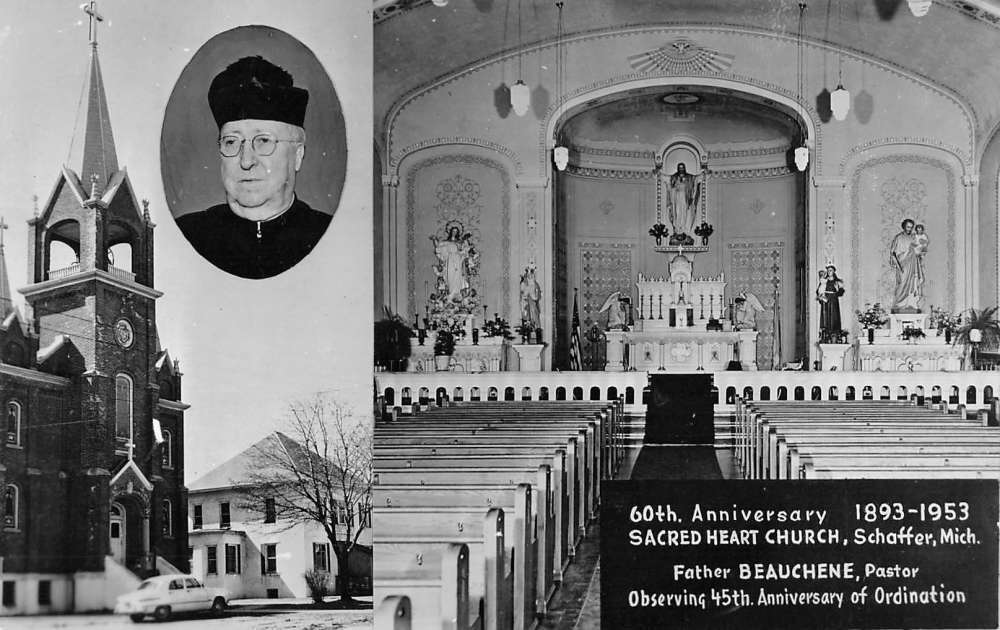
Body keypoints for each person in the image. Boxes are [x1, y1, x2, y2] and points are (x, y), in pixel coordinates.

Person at [176, 56, 332, 279]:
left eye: (264, 141)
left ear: (298, 155)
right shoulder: (188, 233)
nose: (246, 161)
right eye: (231, 142)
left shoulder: (325, 233)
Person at [663, 162, 702, 245]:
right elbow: (665, 178)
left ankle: (684, 230)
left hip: (685, 200)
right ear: (678, 169)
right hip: (676, 200)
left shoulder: (689, 178)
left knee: (685, 215)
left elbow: (697, 178)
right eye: (679, 168)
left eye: (682, 168)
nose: (681, 169)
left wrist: (704, 173)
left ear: (684, 168)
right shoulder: (673, 178)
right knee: (676, 214)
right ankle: (677, 230)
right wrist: (658, 173)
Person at [888, 218, 922, 313]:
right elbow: (893, 252)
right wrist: (905, 255)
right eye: (907, 227)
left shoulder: (913, 237)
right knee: (902, 283)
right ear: (904, 226)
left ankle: (910, 303)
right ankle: (899, 304)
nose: (909, 229)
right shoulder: (898, 238)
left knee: (912, 283)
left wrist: (917, 251)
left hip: (912, 264)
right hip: (902, 264)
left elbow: (918, 250)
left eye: (911, 227)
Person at [431, 224, 472, 300]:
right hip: (449, 261)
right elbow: (438, 247)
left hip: (458, 260)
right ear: (450, 232)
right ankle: (451, 294)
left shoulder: (460, 242)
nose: (454, 233)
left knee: (458, 276)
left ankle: (457, 294)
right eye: (453, 231)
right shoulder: (446, 242)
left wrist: (466, 240)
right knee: (450, 276)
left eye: (456, 231)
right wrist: (434, 239)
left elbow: (466, 249)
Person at [817, 265, 844, 338]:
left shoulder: (837, 282)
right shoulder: (824, 281)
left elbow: (841, 292)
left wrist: (837, 290)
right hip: (826, 301)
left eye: (831, 270)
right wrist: (821, 297)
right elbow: (818, 291)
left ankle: (835, 334)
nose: (829, 272)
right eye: (828, 270)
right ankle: (825, 334)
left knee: (834, 316)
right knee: (826, 317)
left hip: (834, 301)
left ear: (834, 271)